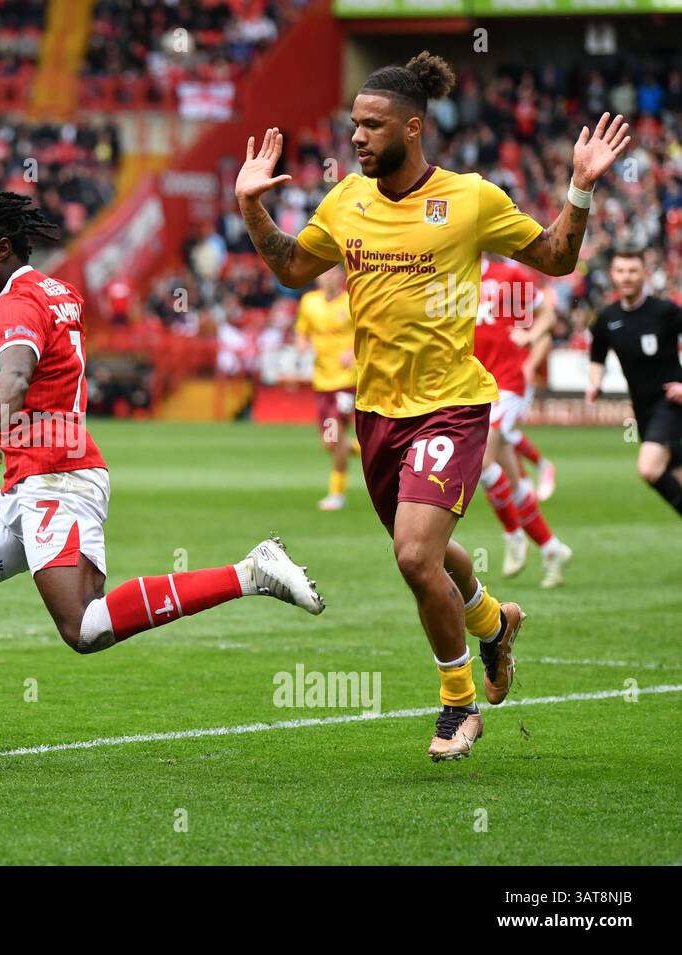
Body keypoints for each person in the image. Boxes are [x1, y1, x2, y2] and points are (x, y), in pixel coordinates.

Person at [0, 192, 324, 775]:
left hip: (59, 477)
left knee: (84, 627)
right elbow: (49, 319)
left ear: (2, 250)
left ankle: (249, 573)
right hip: (30, 480)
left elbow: (18, 370)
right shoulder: (53, 292)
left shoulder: (21, 308)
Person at [233, 52, 629, 759]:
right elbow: (293, 268)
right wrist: (250, 205)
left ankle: (457, 706)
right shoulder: (345, 200)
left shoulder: (471, 198)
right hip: (377, 411)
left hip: (453, 405)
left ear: (413, 128)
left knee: (415, 556)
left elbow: (556, 258)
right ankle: (495, 625)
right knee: (433, 553)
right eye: (353, 124)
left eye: (372, 125)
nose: (356, 137)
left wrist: (579, 189)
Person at [474, 255, 573, 586]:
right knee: (514, 485)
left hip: (508, 383)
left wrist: (532, 338)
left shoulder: (510, 274)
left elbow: (547, 312)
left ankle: (513, 536)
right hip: (476, 386)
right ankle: (552, 549)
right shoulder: (452, 272)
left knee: (481, 462)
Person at [586, 249, 682, 516]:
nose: (626, 277)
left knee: (649, 468)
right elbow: (597, 356)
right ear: (612, 275)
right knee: (674, 473)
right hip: (642, 409)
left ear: (644, 274)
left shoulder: (664, 311)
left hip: (671, 402)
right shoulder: (607, 318)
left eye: (632, 271)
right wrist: (595, 383)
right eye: (620, 271)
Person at [294, 267, 357, 510]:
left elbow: (367, 333)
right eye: (324, 274)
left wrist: (352, 352)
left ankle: (337, 494)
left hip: (347, 380)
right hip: (322, 380)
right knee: (329, 442)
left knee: (336, 434)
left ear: (341, 278)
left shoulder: (351, 302)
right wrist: (301, 345)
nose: (328, 278)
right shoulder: (309, 302)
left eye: (333, 274)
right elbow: (301, 331)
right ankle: (360, 448)